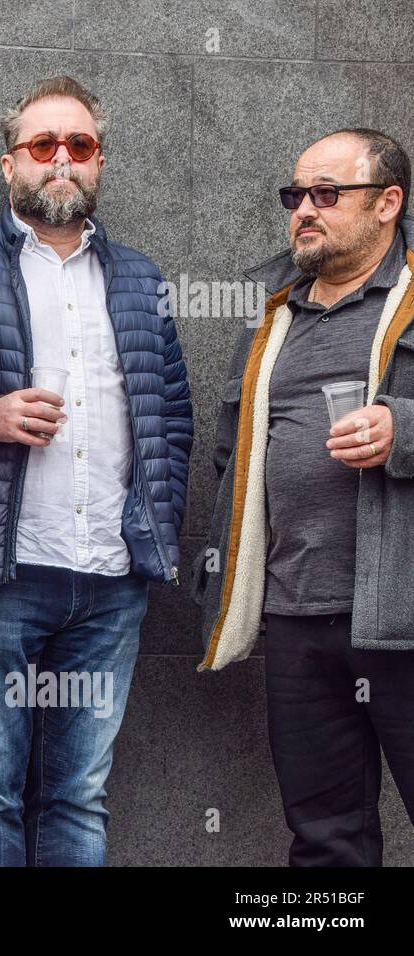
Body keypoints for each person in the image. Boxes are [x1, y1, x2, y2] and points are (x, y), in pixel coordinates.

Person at [0, 76, 192, 866]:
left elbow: (173, 414)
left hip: (111, 578)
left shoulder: (141, 277)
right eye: (42, 145)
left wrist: (154, 523)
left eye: (79, 146)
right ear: (8, 162)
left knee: (80, 794)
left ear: (99, 163)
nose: (61, 160)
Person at [195, 128, 414, 866]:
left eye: (327, 195)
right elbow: (235, 452)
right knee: (324, 839)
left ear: (389, 203)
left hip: (402, 616)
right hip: (296, 617)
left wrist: (404, 429)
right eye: (297, 196)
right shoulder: (274, 313)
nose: (304, 211)